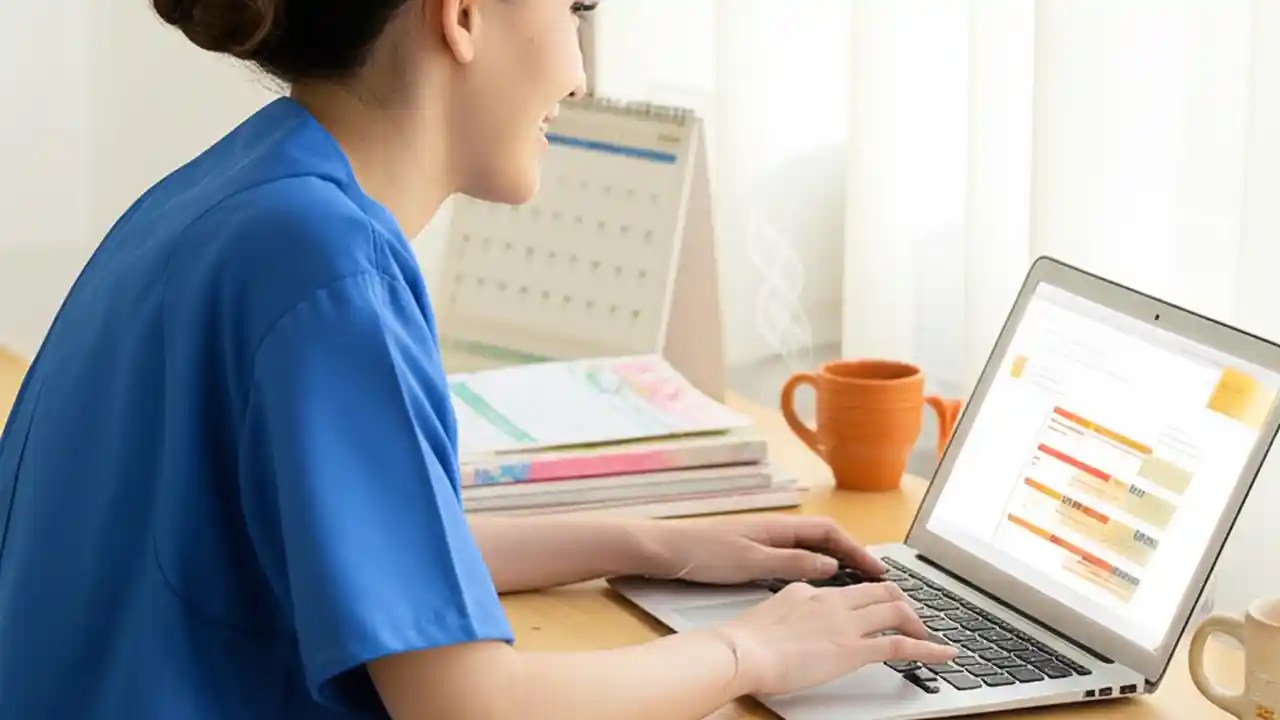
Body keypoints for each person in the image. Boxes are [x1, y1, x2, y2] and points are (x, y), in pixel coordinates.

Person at [0, 0, 955, 717]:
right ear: (461, 16)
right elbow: (465, 705)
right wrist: (756, 652)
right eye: (572, 8)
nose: (577, 73)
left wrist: (654, 543)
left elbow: (359, 556)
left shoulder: (243, 198)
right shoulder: (329, 271)